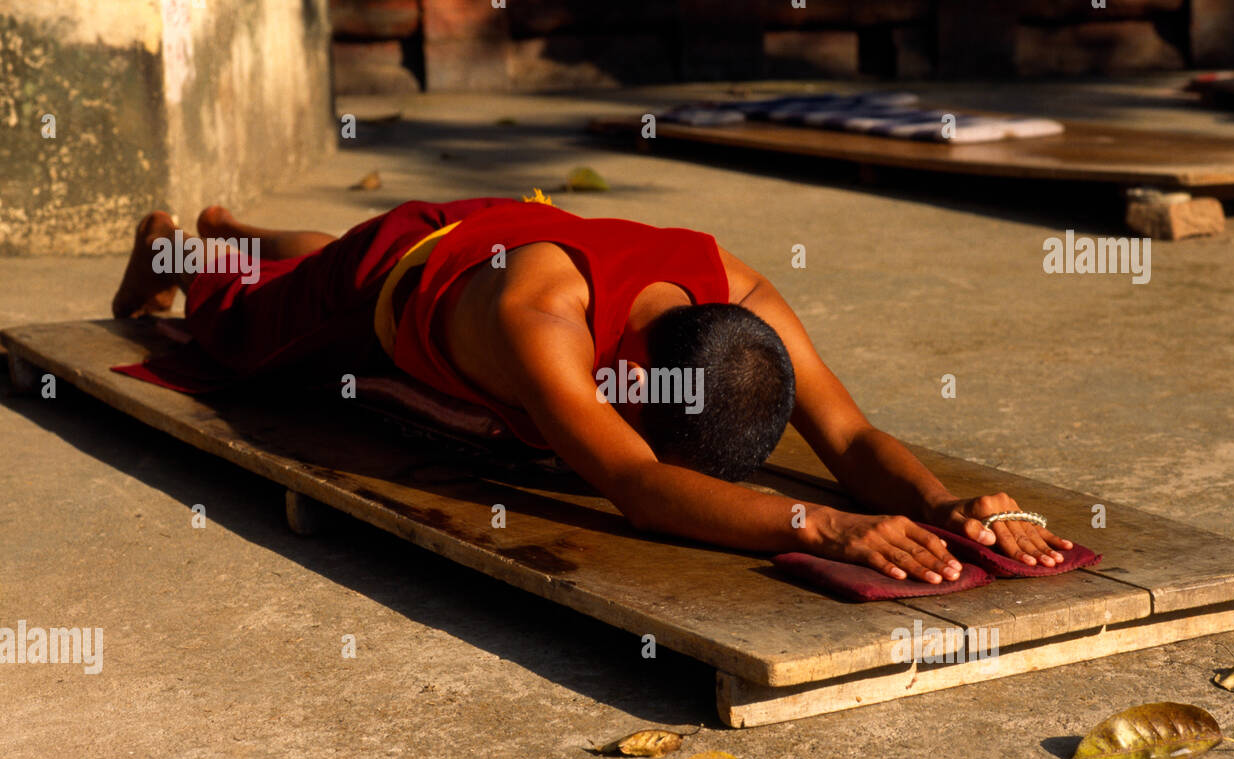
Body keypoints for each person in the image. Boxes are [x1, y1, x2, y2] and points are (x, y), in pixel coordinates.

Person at [111, 195, 1072, 585]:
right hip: (393, 277)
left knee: (316, 259)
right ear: (631, 372)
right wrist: (820, 527)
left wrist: (948, 507)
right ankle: (182, 251)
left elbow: (852, 439)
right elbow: (639, 484)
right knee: (238, 334)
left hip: (491, 230)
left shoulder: (741, 294)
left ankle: (239, 225)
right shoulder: (545, 328)